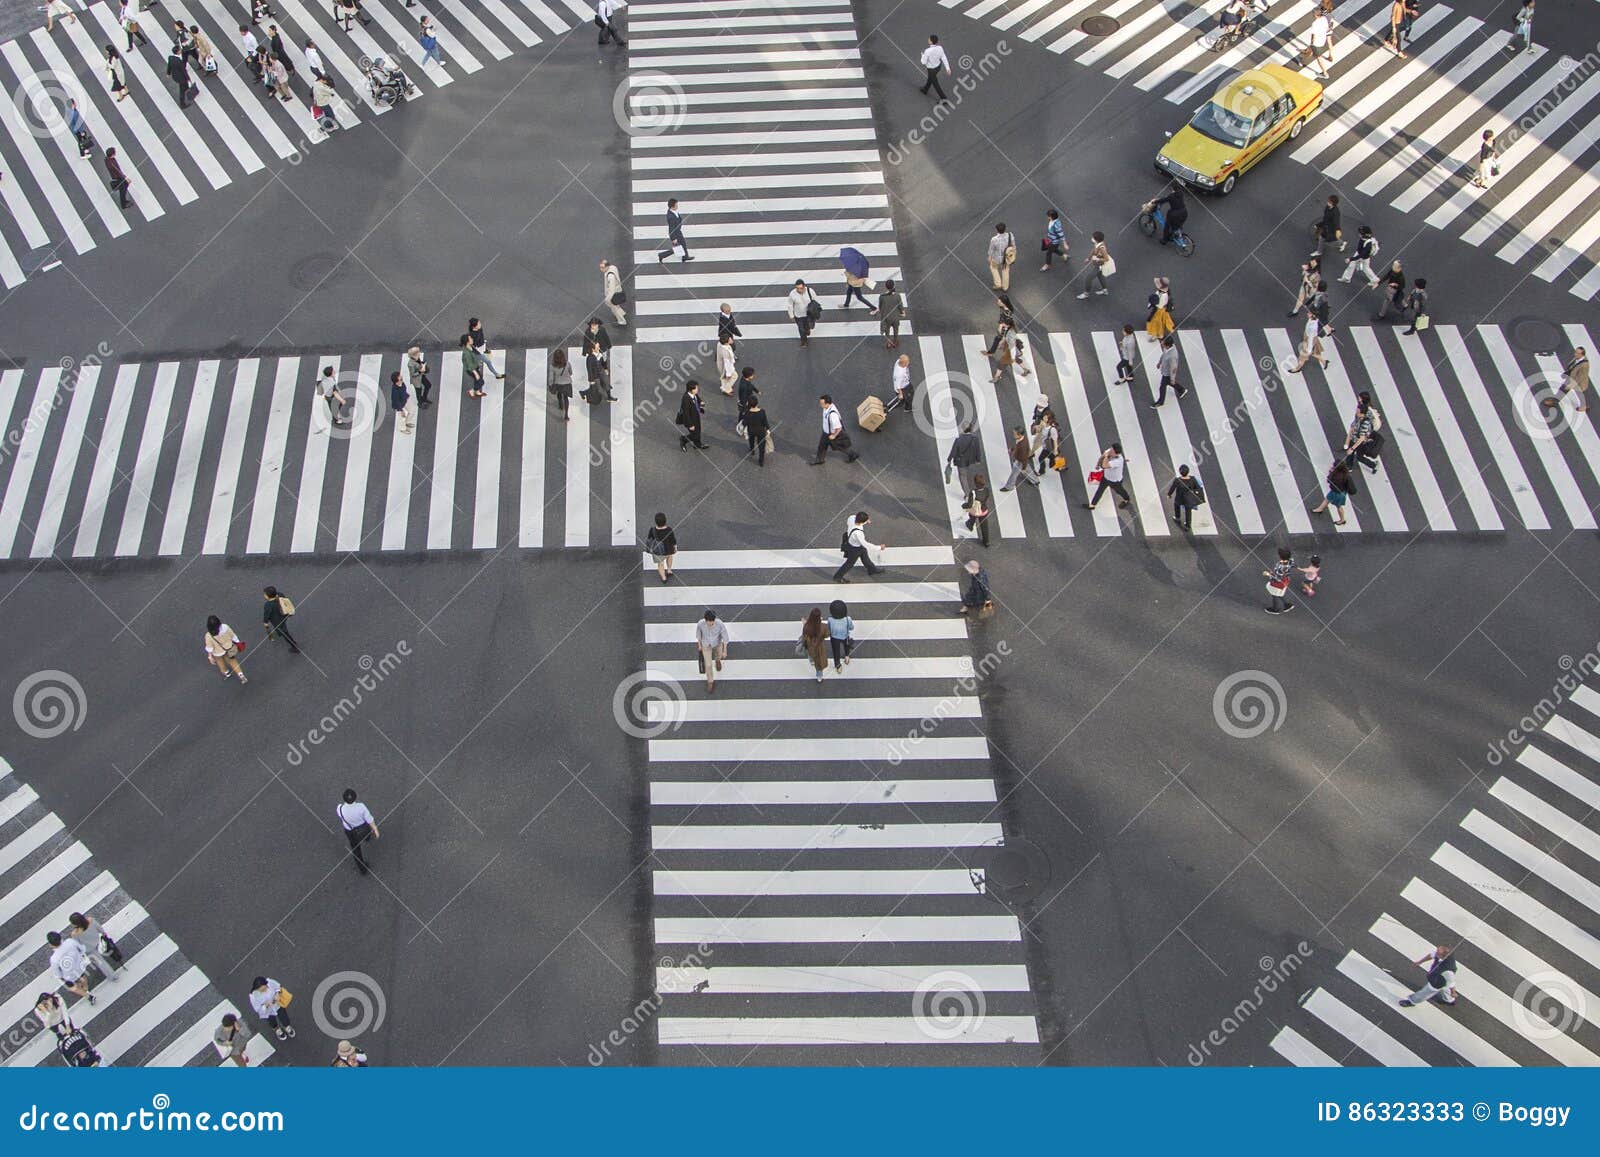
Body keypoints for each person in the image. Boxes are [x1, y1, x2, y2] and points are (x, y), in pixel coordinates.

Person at [47, 930, 98, 1004]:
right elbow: (82, 949)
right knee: (83, 977)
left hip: (69, 975)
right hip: (79, 966)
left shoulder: (54, 958)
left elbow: (57, 973)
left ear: (51, 944)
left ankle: (88, 996)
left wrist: (60, 977)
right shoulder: (70, 942)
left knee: (72, 987)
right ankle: (86, 988)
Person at [336, 788, 379, 875]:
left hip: (350, 831)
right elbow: (369, 819)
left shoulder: (340, 808)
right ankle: (367, 838)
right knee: (366, 832)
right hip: (362, 828)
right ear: (355, 797)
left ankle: (362, 868)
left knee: (356, 849)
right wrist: (375, 829)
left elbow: (341, 817)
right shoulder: (361, 807)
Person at [834, 512, 885, 583]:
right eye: (867, 520)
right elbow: (866, 544)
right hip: (855, 549)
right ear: (862, 522)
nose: (868, 520)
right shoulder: (858, 533)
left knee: (865, 557)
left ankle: (872, 569)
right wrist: (879, 547)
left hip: (853, 543)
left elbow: (856, 518)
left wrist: (866, 521)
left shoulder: (851, 518)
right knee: (849, 564)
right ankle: (838, 577)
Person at [1542, 346, 1591, 413]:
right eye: (1575, 352)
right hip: (1571, 378)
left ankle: (1583, 406)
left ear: (1582, 354)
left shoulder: (1585, 365)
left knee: (1579, 393)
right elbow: (1573, 366)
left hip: (1578, 382)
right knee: (1563, 389)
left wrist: (1571, 385)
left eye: (1577, 353)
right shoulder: (1577, 358)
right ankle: (1555, 401)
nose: (1575, 354)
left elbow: (1580, 377)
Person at [1344, 391, 1385, 473]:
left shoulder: (1365, 423)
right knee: (1353, 453)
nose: (1356, 412)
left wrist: (1352, 448)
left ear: (1362, 414)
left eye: (1358, 412)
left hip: (1361, 440)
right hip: (1356, 436)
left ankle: (1373, 465)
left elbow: (1361, 438)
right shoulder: (1360, 413)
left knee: (1358, 456)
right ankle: (1349, 466)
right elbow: (1354, 423)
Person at [812, 394, 858, 464]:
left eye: (822, 403)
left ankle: (853, 455)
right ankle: (820, 460)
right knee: (822, 446)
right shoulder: (826, 408)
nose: (820, 405)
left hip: (832, 434)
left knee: (840, 447)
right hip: (826, 432)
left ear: (827, 404)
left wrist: (834, 435)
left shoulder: (833, 415)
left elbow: (839, 427)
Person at [1083, 443, 1131, 511]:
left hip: (1115, 481)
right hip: (1106, 477)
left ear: (1116, 454)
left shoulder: (1117, 461)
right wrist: (1098, 464)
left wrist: (1106, 456)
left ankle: (1127, 499)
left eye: (1112, 451)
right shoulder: (1110, 452)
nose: (1110, 451)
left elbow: (1104, 465)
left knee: (1119, 491)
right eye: (1111, 449)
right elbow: (1101, 457)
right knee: (1100, 490)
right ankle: (1092, 505)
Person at [249, 976, 295, 1041]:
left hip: (278, 1005)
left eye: (265, 988)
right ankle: (278, 1030)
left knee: (284, 1018)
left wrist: (277, 994)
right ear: (256, 988)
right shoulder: (253, 996)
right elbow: (258, 1009)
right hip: (268, 1012)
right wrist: (266, 1005)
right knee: (272, 1022)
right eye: (262, 990)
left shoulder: (270, 982)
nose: (264, 990)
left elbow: (278, 987)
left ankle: (287, 1027)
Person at [204, 615, 248, 683]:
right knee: (232, 661)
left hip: (217, 653)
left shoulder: (209, 635)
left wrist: (210, 656)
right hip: (228, 648)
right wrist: (238, 642)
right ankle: (241, 675)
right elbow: (233, 635)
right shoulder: (225, 627)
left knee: (220, 662)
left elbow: (210, 647)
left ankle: (226, 672)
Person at [946, 422, 983, 502]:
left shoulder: (959, 440)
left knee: (962, 476)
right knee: (966, 470)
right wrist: (978, 459)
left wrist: (949, 460)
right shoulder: (975, 438)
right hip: (970, 459)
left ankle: (967, 494)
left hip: (961, 461)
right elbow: (978, 450)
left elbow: (953, 451)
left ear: (963, 429)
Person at [1310, 459, 1353, 525]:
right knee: (1327, 499)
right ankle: (1320, 509)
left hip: (1337, 493)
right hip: (1341, 492)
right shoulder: (1346, 473)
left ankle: (1342, 520)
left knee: (1338, 506)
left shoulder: (1337, 475)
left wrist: (1331, 472)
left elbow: (1329, 480)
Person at [259, 585, 299, 653]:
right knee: (283, 627)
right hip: (283, 615)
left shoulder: (268, 605)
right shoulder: (280, 595)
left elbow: (267, 615)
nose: (264, 595)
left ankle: (294, 645)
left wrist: (265, 622)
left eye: (265, 594)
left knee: (285, 633)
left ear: (268, 596)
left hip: (277, 621)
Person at [695, 610, 727, 692]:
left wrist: (724, 650)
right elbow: (698, 635)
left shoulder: (720, 624)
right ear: (705, 620)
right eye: (709, 622)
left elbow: (725, 637)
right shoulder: (700, 624)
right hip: (706, 645)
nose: (711, 624)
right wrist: (699, 645)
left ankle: (717, 660)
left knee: (718, 655)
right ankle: (710, 681)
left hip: (717, 643)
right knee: (708, 665)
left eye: (712, 622)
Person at [1000, 427, 1037, 492]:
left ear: (1020, 435)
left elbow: (1024, 458)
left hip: (1020, 460)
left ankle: (1009, 486)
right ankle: (1035, 480)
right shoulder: (1022, 439)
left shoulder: (1022, 445)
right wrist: (1013, 449)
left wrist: (1023, 468)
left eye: (1015, 434)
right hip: (1021, 459)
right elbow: (1019, 447)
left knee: (1014, 474)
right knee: (1027, 469)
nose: (1013, 435)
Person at [1152, 334, 1186, 406]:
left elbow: (1173, 368)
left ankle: (1160, 402)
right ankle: (1181, 390)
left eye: (1163, 343)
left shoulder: (1172, 355)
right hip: (1165, 369)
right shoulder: (1167, 348)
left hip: (1167, 373)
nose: (1161, 344)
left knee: (1162, 387)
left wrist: (1172, 378)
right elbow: (1163, 355)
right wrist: (1160, 362)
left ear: (1168, 345)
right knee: (1169, 382)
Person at [1167, 465, 1203, 531]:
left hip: (1179, 498)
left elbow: (1172, 488)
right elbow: (1197, 487)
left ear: (1180, 472)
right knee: (1188, 511)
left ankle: (1177, 517)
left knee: (1176, 505)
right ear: (1188, 471)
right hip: (1189, 499)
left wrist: (1169, 494)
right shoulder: (1193, 479)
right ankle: (1188, 526)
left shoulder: (1178, 480)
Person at [1077, 231, 1111, 298]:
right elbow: (1093, 251)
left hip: (1099, 266)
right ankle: (1105, 290)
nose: (1091, 238)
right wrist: (1088, 258)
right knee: (1100, 276)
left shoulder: (1102, 249)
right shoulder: (1098, 244)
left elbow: (1107, 259)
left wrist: (1098, 259)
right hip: (1098, 265)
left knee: (1088, 279)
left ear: (1096, 240)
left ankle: (1086, 293)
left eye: (1092, 238)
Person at [1263, 547, 1296, 614]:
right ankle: (1287, 605)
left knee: (1274, 595)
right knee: (1280, 594)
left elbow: (1277, 578)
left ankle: (1275, 609)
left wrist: (1268, 574)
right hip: (1285, 580)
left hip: (1278, 584)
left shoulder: (1280, 567)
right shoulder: (1290, 561)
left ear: (1280, 556)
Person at [1305, 4, 1334, 80]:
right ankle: (1303, 57)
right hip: (1323, 40)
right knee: (1313, 53)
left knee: (1318, 58)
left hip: (1316, 42)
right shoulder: (1324, 19)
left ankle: (1325, 73)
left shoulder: (1315, 23)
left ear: (1315, 15)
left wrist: (1311, 44)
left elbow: (1313, 36)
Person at [657, 198, 691, 262]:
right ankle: (661, 255)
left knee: (683, 244)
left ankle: (685, 257)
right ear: (672, 206)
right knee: (677, 249)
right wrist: (673, 238)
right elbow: (671, 228)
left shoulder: (673, 211)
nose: (677, 206)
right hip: (675, 234)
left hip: (678, 231)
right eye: (676, 205)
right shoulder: (671, 217)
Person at [645, 513, 677, 582]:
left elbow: (649, 539)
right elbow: (673, 540)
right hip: (668, 549)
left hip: (658, 551)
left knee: (660, 564)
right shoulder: (669, 530)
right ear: (665, 521)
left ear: (656, 522)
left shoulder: (652, 530)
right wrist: (675, 547)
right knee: (669, 557)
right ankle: (669, 570)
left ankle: (663, 577)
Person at [919, 33, 951, 100]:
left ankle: (944, 98)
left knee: (935, 84)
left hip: (931, 70)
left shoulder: (927, 51)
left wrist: (922, 55)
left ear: (931, 42)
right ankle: (925, 89)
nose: (928, 39)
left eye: (929, 39)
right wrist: (948, 68)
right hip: (938, 67)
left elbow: (923, 62)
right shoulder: (940, 48)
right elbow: (944, 57)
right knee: (930, 79)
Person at [676, 381, 705, 451]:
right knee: (695, 434)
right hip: (690, 420)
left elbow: (697, 397)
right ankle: (683, 440)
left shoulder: (692, 394)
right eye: (696, 388)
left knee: (698, 431)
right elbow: (686, 414)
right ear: (691, 390)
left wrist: (700, 401)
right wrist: (690, 425)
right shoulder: (686, 399)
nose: (697, 389)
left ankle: (697, 444)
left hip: (696, 416)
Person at [827, 599, 855, 672]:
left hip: (834, 638)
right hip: (845, 636)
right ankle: (847, 657)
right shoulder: (847, 619)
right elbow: (852, 627)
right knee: (846, 647)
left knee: (836, 651)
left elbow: (828, 628)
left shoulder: (830, 619)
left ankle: (838, 665)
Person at [800, 608, 828, 682]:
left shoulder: (807, 626)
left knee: (810, 654)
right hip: (819, 647)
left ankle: (811, 661)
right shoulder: (823, 627)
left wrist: (804, 624)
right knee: (819, 663)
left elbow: (804, 635)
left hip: (810, 646)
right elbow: (826, 635)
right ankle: (819, 676)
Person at [742, 393, 770, 466]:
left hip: (751, 430)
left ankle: (752, 450)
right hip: (760, 431)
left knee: (751, 440)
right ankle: (761, 461)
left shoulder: (747, 413)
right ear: (757, 403)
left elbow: (744, 423)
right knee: (761, 447)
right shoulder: (762, 412)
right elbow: (765, 421)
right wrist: (768, 429)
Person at [965, 472, 992, 547]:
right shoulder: (987, 490)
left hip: (975, 510)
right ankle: (986, 542)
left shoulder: (973, 492)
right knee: (984, 526)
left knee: (972, 518)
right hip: (983, 510)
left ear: (976, 484)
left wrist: (964, 506)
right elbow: (986, 497)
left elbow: (970, 504)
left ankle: (970, 525)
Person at [788, 279, 817, 346]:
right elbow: (790, 305)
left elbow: (815, 301)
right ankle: (804, 341)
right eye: (797, 288)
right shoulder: (792, 294)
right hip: (798, 315)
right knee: (801, 329)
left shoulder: (810, 291)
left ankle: (807, 330)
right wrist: (791, 315)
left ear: (804, 287)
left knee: (807, 327)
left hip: (808, 314)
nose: (799, 290)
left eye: (800, 288)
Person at [986, 223, 1015, 291]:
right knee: (1005, 270)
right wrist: (1014, 253)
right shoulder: (1010, 235)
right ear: (1005, 229)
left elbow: (991, 249)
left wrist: (989, 257)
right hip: (1006, 258)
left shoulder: (994, 239)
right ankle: (1005, 287)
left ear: (997, 230)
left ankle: (998, 283)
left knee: (993, 268)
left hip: (997, 258)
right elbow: (1013, 246)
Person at [1145, 277, 1175, 342]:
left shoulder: (1164, 295)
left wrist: (1153, 303)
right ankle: (1158, 334)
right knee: (1157, 321)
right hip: (1158, 309)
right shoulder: (1159, 292)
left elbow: (1160, 305)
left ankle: (1158, 334)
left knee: (1157, 322)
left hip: (1159, 310)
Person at [878, 279, 905, 348]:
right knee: (896, 329)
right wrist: (903, 313)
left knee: (887, 331)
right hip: (895, 317)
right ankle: (895, 341)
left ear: (886, 287)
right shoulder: (897, 295)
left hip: (886, 317)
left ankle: (888, 343)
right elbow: (900, 306)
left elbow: (880, 307)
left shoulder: (882, 296)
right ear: (894, 286)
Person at [601, 259, 627, 327]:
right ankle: (622, 312)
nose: (601, 269)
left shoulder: (610, 276)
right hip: (618, 289)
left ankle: (621, 320)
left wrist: (608, 299)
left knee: (614, 307)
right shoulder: (613, 267)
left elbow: (611, 290)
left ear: (607, 267)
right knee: (616, 305)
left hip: (613, 294)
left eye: (602, 268)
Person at [461, 335, 487, 399]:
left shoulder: (470, 346)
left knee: (477, 379)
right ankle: (472, 391)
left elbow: (474, 356)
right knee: (481, 381)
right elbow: (470, 365)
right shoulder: (467, 353)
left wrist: (478, 363)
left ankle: (477, 392)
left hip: (475, 367)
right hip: (471, 369)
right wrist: (476, 373)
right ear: (467, 342)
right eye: (470, 338)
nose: (472, 339)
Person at [390, 370, 414, 435]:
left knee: (412, 411)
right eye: (401, 379)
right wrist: (401, 410)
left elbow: (404, 390)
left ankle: (407, 422)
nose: (402, 380)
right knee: (402, 417)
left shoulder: (402, 383)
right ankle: (402, 429)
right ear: (396, 382)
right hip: (399, 405)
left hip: (405, 399)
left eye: (402, 378)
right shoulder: (395, 391)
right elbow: (396, 401)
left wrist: (406, 396)